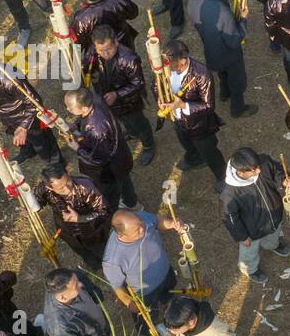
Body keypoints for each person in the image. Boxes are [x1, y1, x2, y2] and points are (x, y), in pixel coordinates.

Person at [220, 146, 290, 283]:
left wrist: (283, 180)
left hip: (274, 216)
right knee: (249, 252)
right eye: (253, 170)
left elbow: (277, 170)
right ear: (240, 173)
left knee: (274, 235)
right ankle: (250, 269)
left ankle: (272, 245)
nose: (259, 170)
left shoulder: (263, 161)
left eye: (258, 166)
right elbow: (230, 218)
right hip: (251, 231)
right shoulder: (229, 194)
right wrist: (242, 236)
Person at [85, 26, 154, 166]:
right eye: (100, 50)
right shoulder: (93, 52)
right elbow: (87, 66)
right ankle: (131, 132)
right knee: (122, 120)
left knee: (138, 122)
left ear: (116, 42)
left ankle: (148, 145)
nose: (105, 54)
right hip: (107, 98)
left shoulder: (128, 59)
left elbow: (138, 83)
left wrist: (117, 94)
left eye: (108, 49)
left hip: (129, 102)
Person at [161, 39, 227, 185]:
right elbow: (157, 84)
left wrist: (183, 105)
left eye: (169, 64)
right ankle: (194, 158)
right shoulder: (167, 69)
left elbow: (208, 106)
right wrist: (160, 99)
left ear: (183, 61)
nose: (166, 66)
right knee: (185, 142)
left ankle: (222, 177)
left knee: (210, 152)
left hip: (199, 124)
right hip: (178, 120)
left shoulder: (202, 74)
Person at [64, 88, 138, 213]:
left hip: (110, 169)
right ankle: (132, 203)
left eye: (70, 108)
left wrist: (77, 148)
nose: (67, 110)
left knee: (110, 195)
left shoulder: (97, 130)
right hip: (120, 157)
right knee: (125, 180)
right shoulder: (96, 99)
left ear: (84, 108)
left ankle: (113, 213)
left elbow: (98, 159)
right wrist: (77, 124)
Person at [187, 0, 248, 118]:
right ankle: (237, 109)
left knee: (222, 73)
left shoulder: (192, 1)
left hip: (210, 50)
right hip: (229, 55)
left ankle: (224, 93)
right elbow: (234, 41)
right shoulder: (223, 13)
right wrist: (243, 20)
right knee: (236, 81)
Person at [102, 208, 182, 318]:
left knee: (169, 294)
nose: (143, 229)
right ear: (121, 235)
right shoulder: (113, 261)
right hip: (145, 293)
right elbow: (117, 287)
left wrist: (172, 224)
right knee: (149, 316)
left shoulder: (138, 219)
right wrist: (129, 303)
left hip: (166, 273)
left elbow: (157, 221)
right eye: (137, 230)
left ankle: (168, 302)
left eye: (141, 224)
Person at [35, 161, 113, 270]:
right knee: (82, 251)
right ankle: (94, 265)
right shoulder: (44, 189)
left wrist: (80, 218)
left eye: (69, 182)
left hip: (92, 231)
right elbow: (38, 200)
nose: (68, 189)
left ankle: (111, 265)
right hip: (67, 231)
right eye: (61, 188)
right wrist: (31, 208)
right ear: (50, 188)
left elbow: (104, 211)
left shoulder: (85, 186)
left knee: (102, 250)